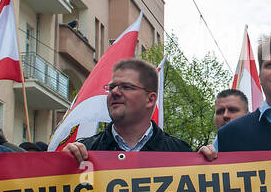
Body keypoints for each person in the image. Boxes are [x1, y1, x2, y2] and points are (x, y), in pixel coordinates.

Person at [64, 58, 192, 160]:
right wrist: (62, 164)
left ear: (150, 99)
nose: (114, 92)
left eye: (126, 87)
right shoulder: (83, 153)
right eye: (111, 87)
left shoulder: (181, 153)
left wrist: (208, 163)